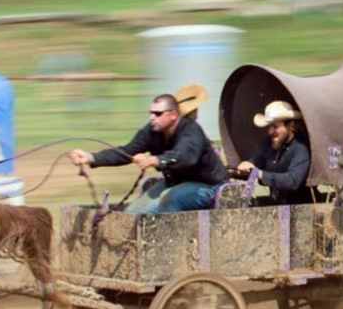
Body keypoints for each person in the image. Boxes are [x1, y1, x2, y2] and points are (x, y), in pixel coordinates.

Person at [68, 84, 227, 214]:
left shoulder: (191, 130)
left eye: (157, 114)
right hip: (175, 183)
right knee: (133, 212)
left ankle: (164, 242)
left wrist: (155, 160)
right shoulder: (152, 131)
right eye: (151, 113)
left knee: (171, 199)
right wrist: (92, 158)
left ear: (173, 115)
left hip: (206, 186)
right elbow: (127, 151)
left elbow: (185, 157)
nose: (152, 117)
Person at [234, 100, 312, 205]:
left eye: (275, 127)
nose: (270, 132)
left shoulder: (300, 148)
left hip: (301, 208)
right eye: (269, 127)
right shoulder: (268, 143)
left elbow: (293, 181)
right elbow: (257, 160)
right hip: (277, 205)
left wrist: (260, 174)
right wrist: (247, 165)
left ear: (291, 126)